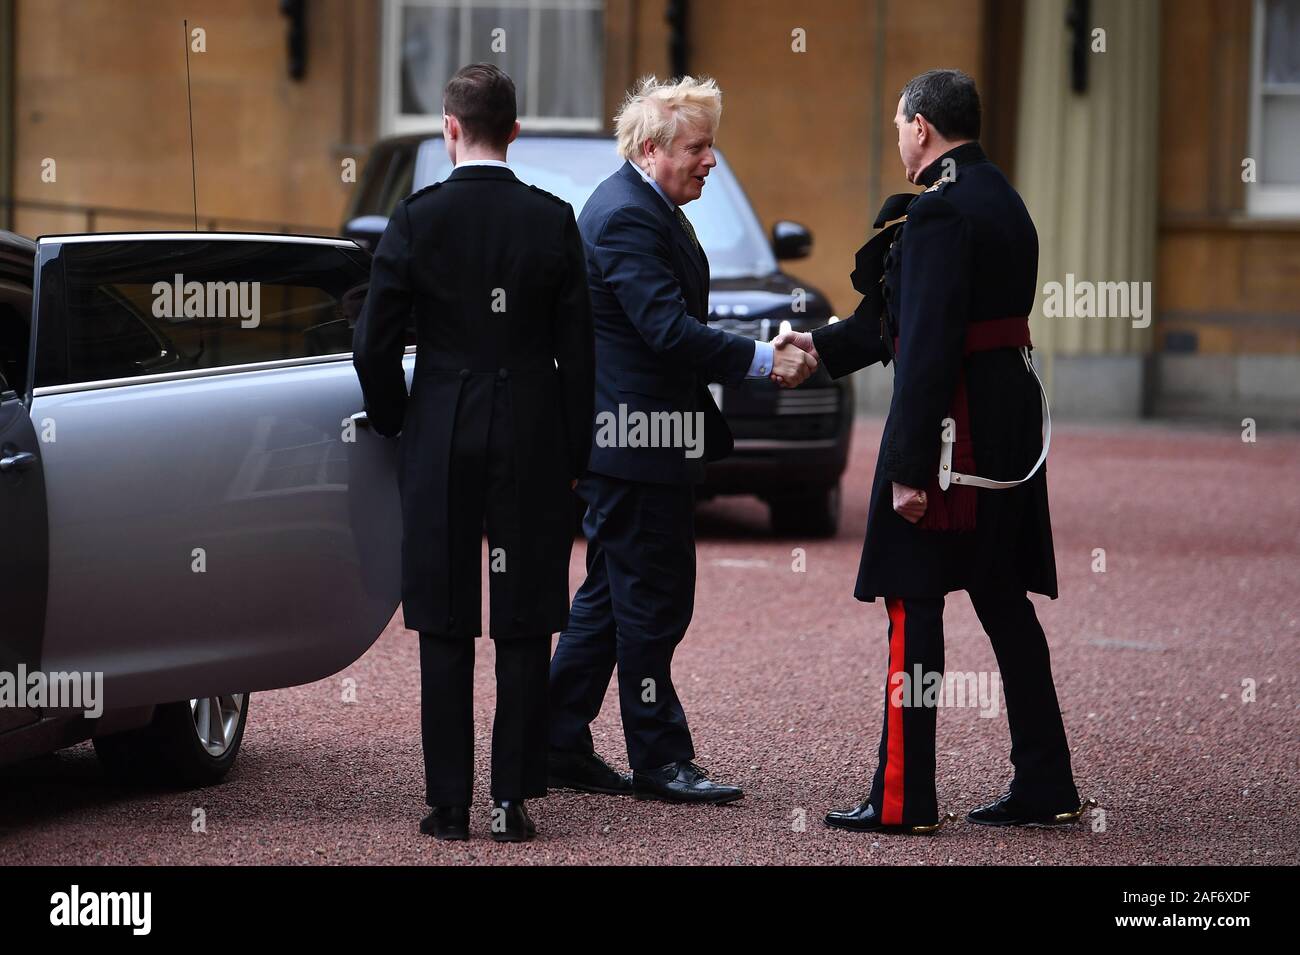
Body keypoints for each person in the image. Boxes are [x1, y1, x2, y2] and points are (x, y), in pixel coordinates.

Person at [775, 69, 1084, 834]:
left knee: (912, 599)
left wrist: (910, 468)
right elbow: (896, 323)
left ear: (920, 126)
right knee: (1002, 598)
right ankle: (1046, 781)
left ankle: (903, 797)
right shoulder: (1001, 198)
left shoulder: (942, 213)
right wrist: (813, 347)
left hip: (953, 430)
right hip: (1004, 421)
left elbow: (928, 348)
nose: (897, 138)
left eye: (897, 125)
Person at [546, 75, 817, 804]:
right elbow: (666, 331)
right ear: (652, 148)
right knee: (653, 603)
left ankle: (554, 740)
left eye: (710, 145)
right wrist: (764, 356)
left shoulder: (643, 204)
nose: (710, 161)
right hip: (636, 443)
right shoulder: (629, 216)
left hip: (640, 440)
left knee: (610, 598)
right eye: (698, 147)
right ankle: (660, 758)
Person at [352, 63, 594, 843]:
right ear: (515, 132)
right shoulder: (553, 219)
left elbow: (373, 345)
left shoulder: (417, 217)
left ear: (449, 129)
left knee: (445, 615)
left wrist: (397, 419)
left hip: (443, 424)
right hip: (529, 422)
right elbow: (579, 355)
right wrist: (576, 450)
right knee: (524, 617)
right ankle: (510, 800)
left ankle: (449, 803)